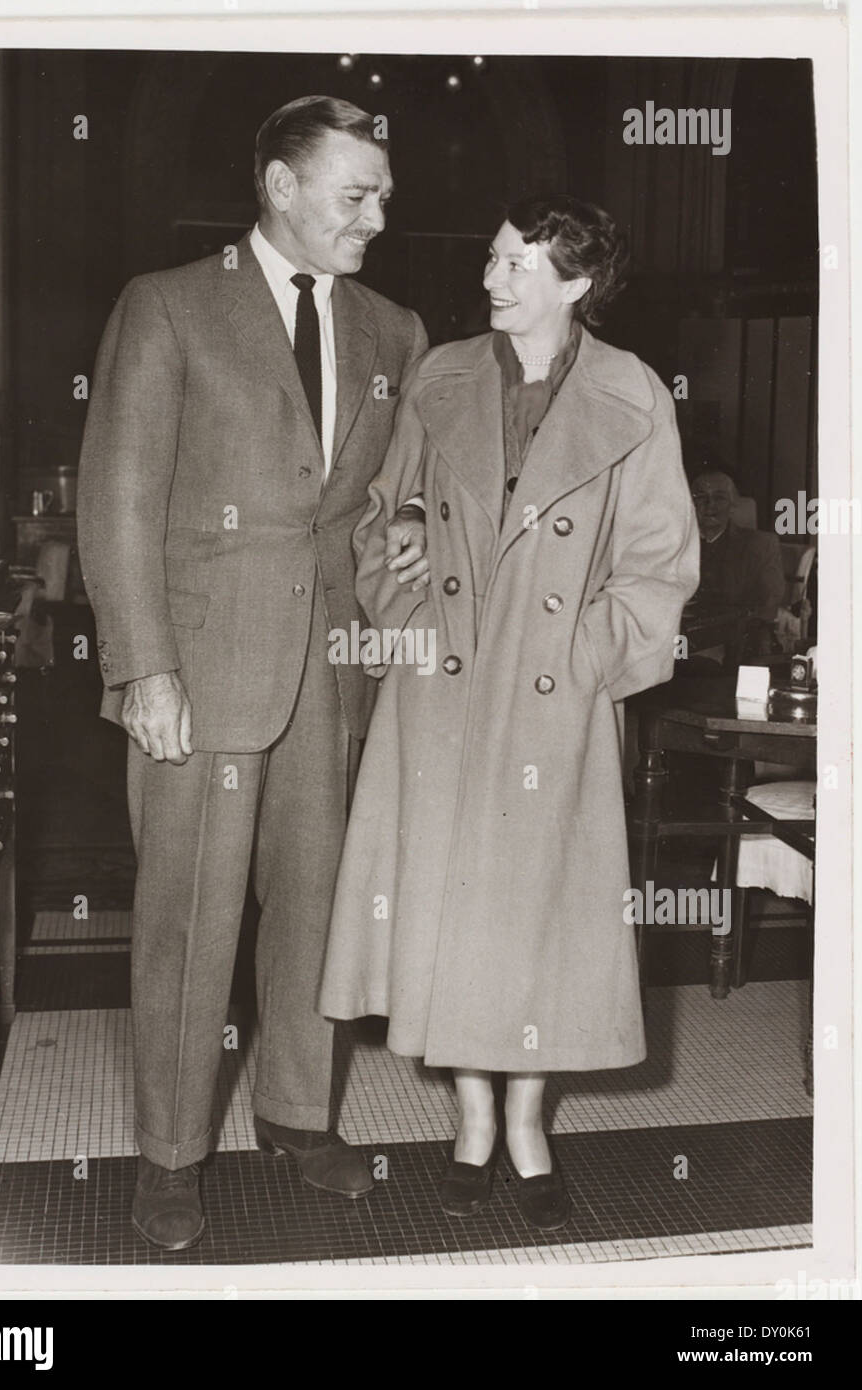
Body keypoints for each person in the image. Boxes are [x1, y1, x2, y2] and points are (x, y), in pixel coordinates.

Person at [77, 96, 429, 1251]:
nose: (376, 216)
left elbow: (387, 511)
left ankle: (296, 1111)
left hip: (332, 675)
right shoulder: (171, 304)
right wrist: (143, 668)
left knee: (317, 916)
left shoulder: (394, 329)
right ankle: (172, 1153)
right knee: (188, 923)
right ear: (280, 185)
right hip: (202, 671)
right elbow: (118, 502)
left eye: (381, 196)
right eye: (355, 194)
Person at [319, 194, 699, 1229]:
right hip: (441, 687)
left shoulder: (631, 396)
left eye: (518, 264)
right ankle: (473, 1121)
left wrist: (579, 660)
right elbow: (385, 509)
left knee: (536, 916)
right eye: (492, 256)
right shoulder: (441, 376)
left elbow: (660, 566)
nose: (492, 278)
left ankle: (527, 1121)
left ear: (575, 285)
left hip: (550, 701)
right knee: (451, 910)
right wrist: (400, 541)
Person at [689, 463, 786, 660]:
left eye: (719, 497)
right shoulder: (671, 544)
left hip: (732, 647)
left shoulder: (760, 546)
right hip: (680, 645)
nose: (710, 505)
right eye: (701, 498)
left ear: (733, 506)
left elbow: (768, 605)